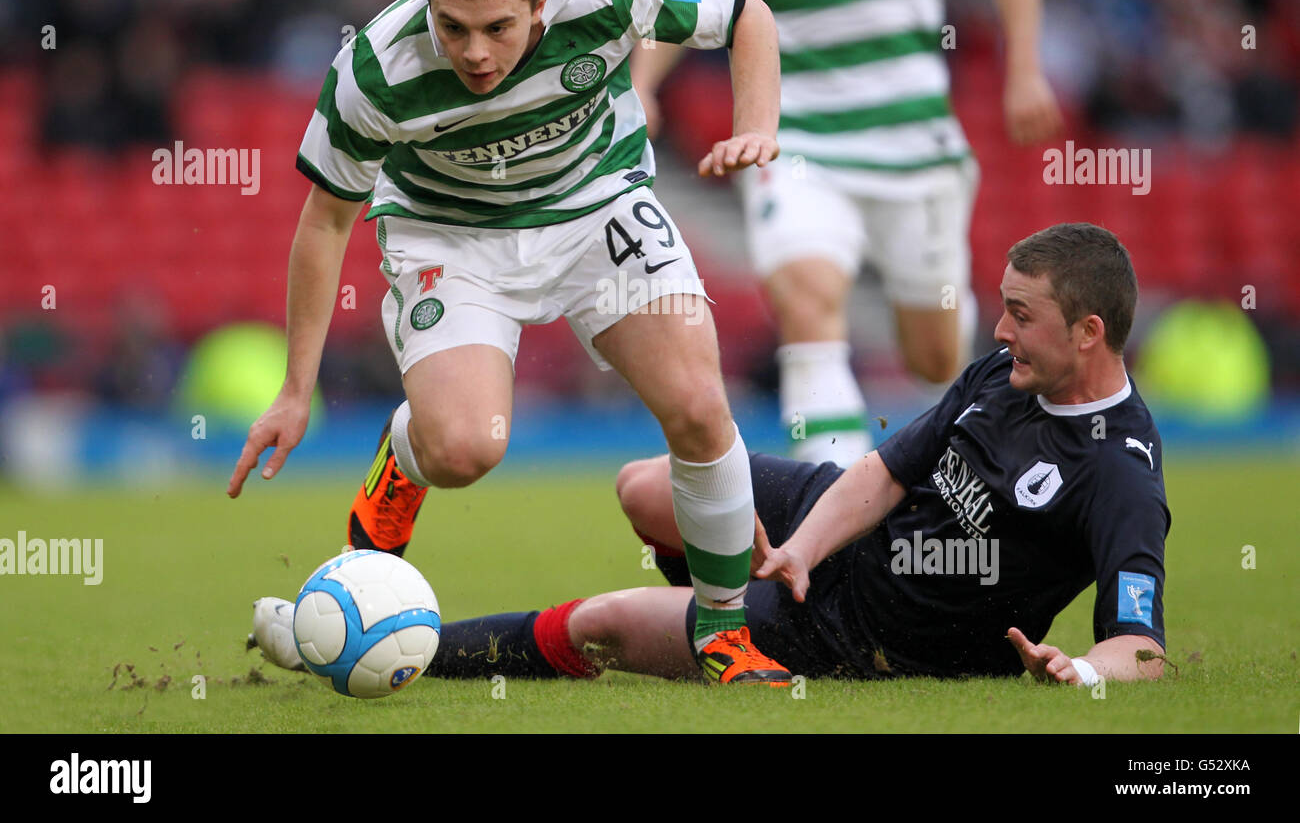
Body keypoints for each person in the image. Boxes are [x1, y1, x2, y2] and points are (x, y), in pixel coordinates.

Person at [229, 0, 794, 684]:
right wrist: (296, 392)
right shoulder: (374, 71)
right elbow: (325, 223)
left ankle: (724, 632)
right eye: (452, 28)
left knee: (699, 408)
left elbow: (747, 13)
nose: (474, 53)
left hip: (598, 205)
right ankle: (408, 453)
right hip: (449, 234)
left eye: (496, 27)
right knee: (464, 449)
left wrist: (756, 125)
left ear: (540, 4)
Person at [250, 222, 1169, 686]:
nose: (1000, 328)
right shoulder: (1005, 374)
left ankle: (379, 647)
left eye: (1022, 315)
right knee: (644, 486)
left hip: (869, 631)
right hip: (839, 546)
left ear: (1089, 332)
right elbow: (888, 470)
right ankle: (725, 589)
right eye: (1002, 307)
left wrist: (1084, 669)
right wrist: (804, 546)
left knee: (603, 622)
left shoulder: (1118, 472)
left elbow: (1142, 646)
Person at [632, 0, 1064, 467]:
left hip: (914, 144)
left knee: (934, 358)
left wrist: (1024, 71)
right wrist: (641, 86)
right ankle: (834, 510)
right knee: (806, 301)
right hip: (798, 138)